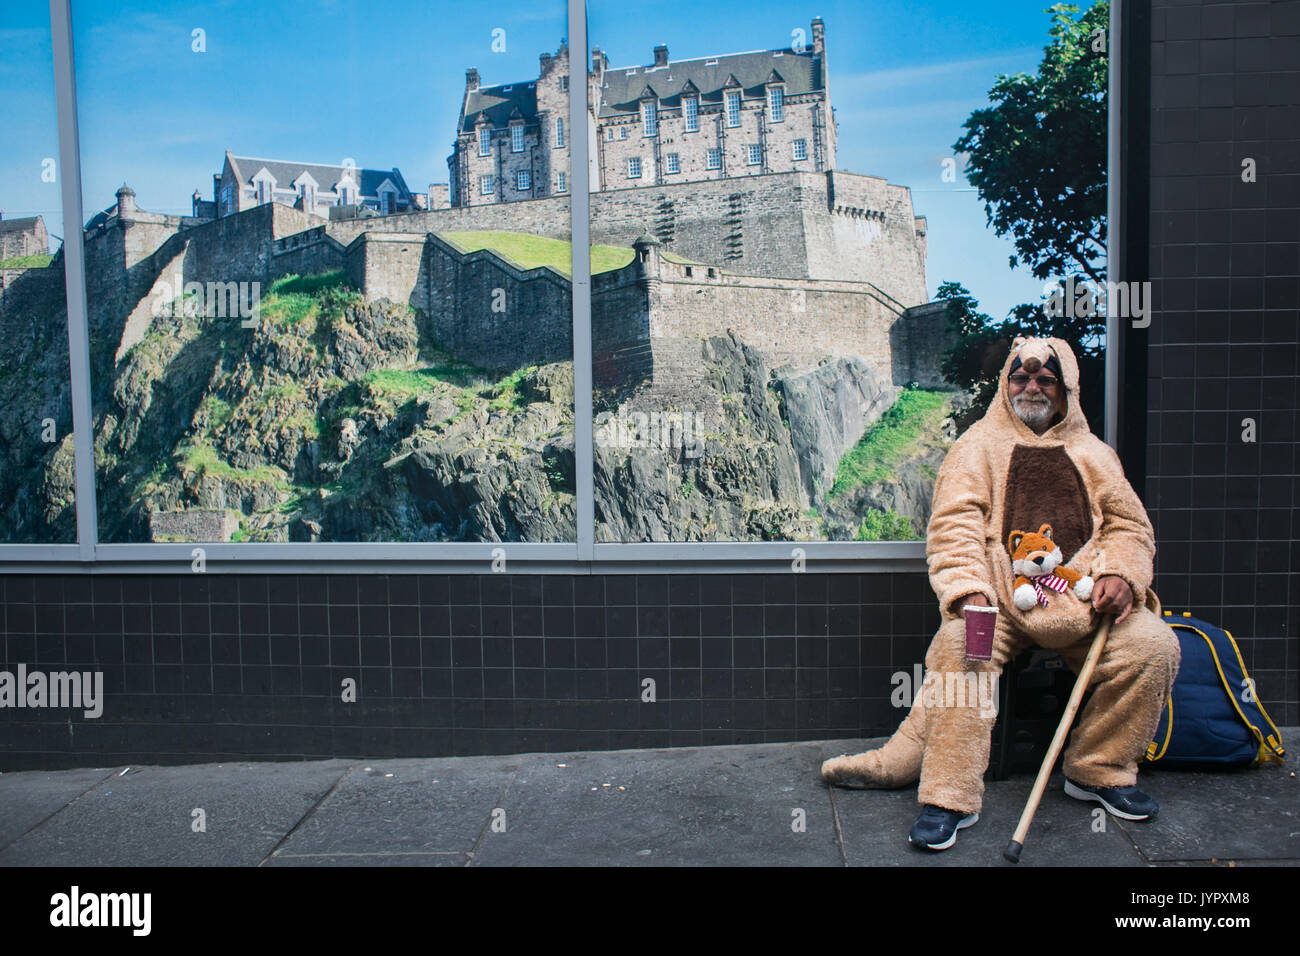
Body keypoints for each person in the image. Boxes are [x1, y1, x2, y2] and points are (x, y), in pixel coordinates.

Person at [821, 336, 1180, 851]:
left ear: (1066, 391)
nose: (1031, 386)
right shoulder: (976, 446)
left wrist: (1121, 575)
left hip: (1082, 597)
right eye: (1021, 376)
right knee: (960, 647)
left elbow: (1129, 527)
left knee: (1155, 646)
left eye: (1045, 379)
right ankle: (948, 795)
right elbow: (954, 528)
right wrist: (968, 591)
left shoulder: (1096, 454)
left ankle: (1099, 769)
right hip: (1000, 596)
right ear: (1005, 383)